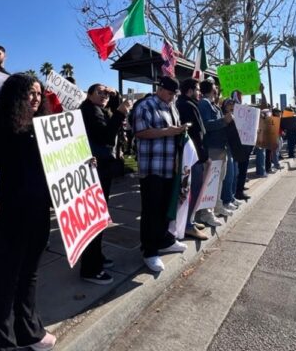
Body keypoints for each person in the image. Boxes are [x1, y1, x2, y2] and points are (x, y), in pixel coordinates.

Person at [0, 73, 56, 351]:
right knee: (4, 285)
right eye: (29, 93)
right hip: (5, 219)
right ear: (13, 95)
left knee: (29, 276)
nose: (35, 98)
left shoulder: (46, 131)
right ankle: (0, 344)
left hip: (38, 215)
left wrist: (81, 163)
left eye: (38, 94)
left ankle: (30, 332)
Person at [133, 76, 189, 272]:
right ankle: (149, 251)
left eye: (175, 94)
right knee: (151, 210)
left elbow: (173, 131)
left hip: (170, 167)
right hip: (152, 168)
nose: (173, 97)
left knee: (166, 207)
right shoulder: (145, 105)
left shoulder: (172, 106)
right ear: (160, 89)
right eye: (170, 93)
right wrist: (168, 131)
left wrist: (181, 131)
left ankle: (164, 240)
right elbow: (140, 132)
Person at [78, 83, 131, 284]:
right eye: (99, 92)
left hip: (99, 168)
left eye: (106, 93)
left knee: (98, 217)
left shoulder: (95, 109)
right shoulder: (91, 111)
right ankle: (90, 268)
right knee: (94, 218)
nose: (104, 95)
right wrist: (119, 114)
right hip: (96, 170)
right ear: (89, 94)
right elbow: (106, 138)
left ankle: (96, 257)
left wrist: (115, 96)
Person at [175, 78, 211, 239]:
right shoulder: (188, 106)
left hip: (189, 155)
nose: (200, 93)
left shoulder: (184, 104)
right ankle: (188, 225)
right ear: (189, 90)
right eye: (197, 89)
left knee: (190, 190)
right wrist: (204, 157)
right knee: (192, 190)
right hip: (193, 156)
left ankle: (189, 220)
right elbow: (197, 134)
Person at [196, 79, 234, 226]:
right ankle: (206, 213)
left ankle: (217, 206)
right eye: (215, 86)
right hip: (212, 148)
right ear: (211, 89)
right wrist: (224, 120)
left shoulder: (213, 104)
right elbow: (205, 125)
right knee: (211, 182)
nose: (217, 88)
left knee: (219, 180)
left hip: (220, 148)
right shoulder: (204, 103)